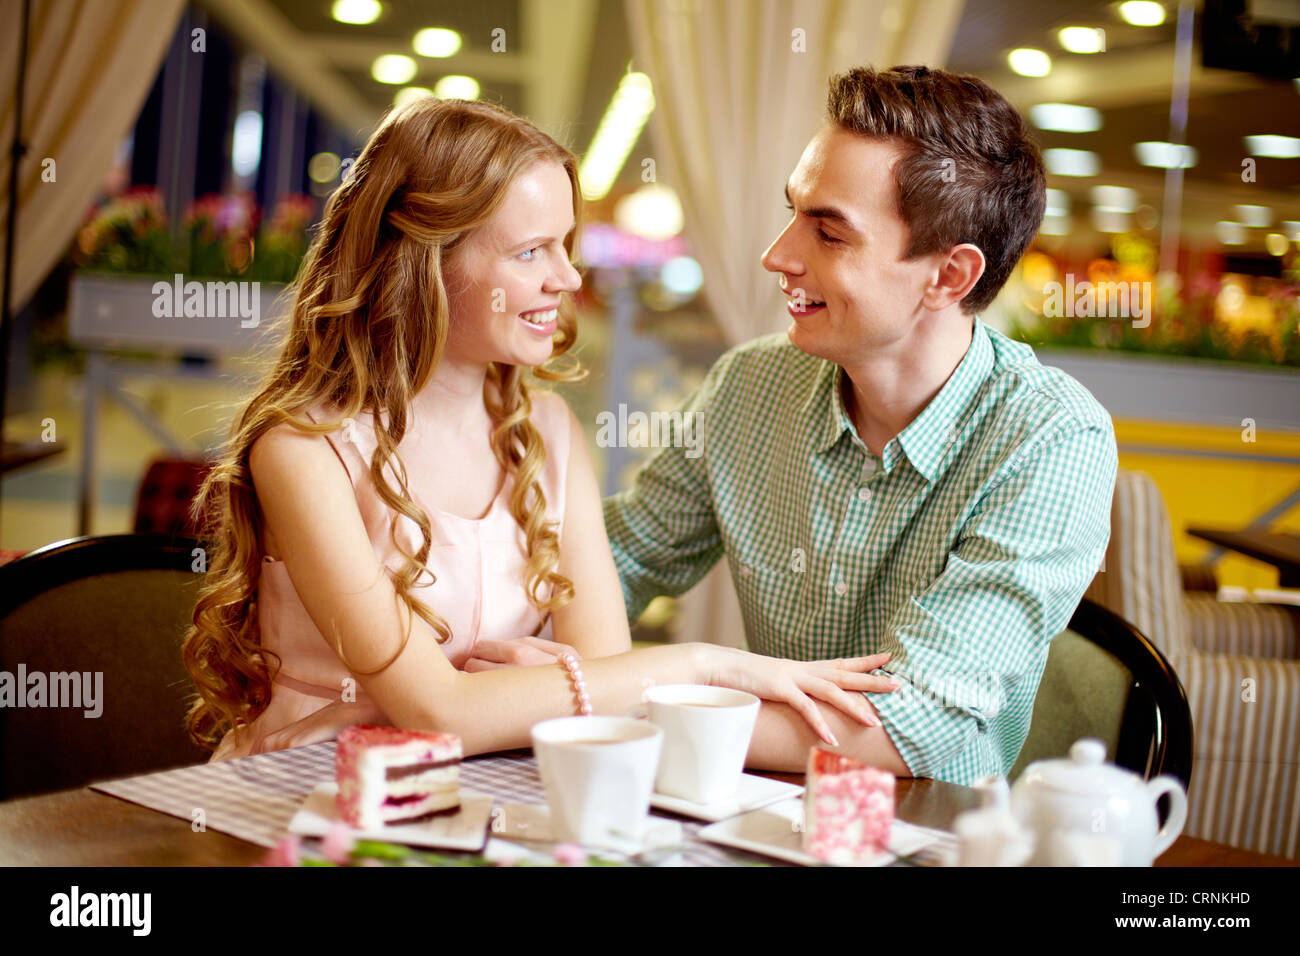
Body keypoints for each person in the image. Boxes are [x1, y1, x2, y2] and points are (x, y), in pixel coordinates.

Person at [182, 96, 898, 761]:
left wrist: (511, 694)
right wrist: (701, 662)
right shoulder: (304, 451)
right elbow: (447, 713)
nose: (567, 277)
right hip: (300, 799)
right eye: (531, 252)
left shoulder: (547, 431)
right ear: (424, 263)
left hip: (468, 796)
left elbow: (601, 687)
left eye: (565, 245)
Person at [603, 66, 1119, 785]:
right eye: (793, 214)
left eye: (828, 233)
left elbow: (914, 728)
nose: (777, 256)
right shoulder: (750, 386)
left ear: (948, 277)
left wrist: (623, 702)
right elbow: (614, 564)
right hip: (747, 810)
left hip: (927, 835)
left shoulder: (1051, 438)